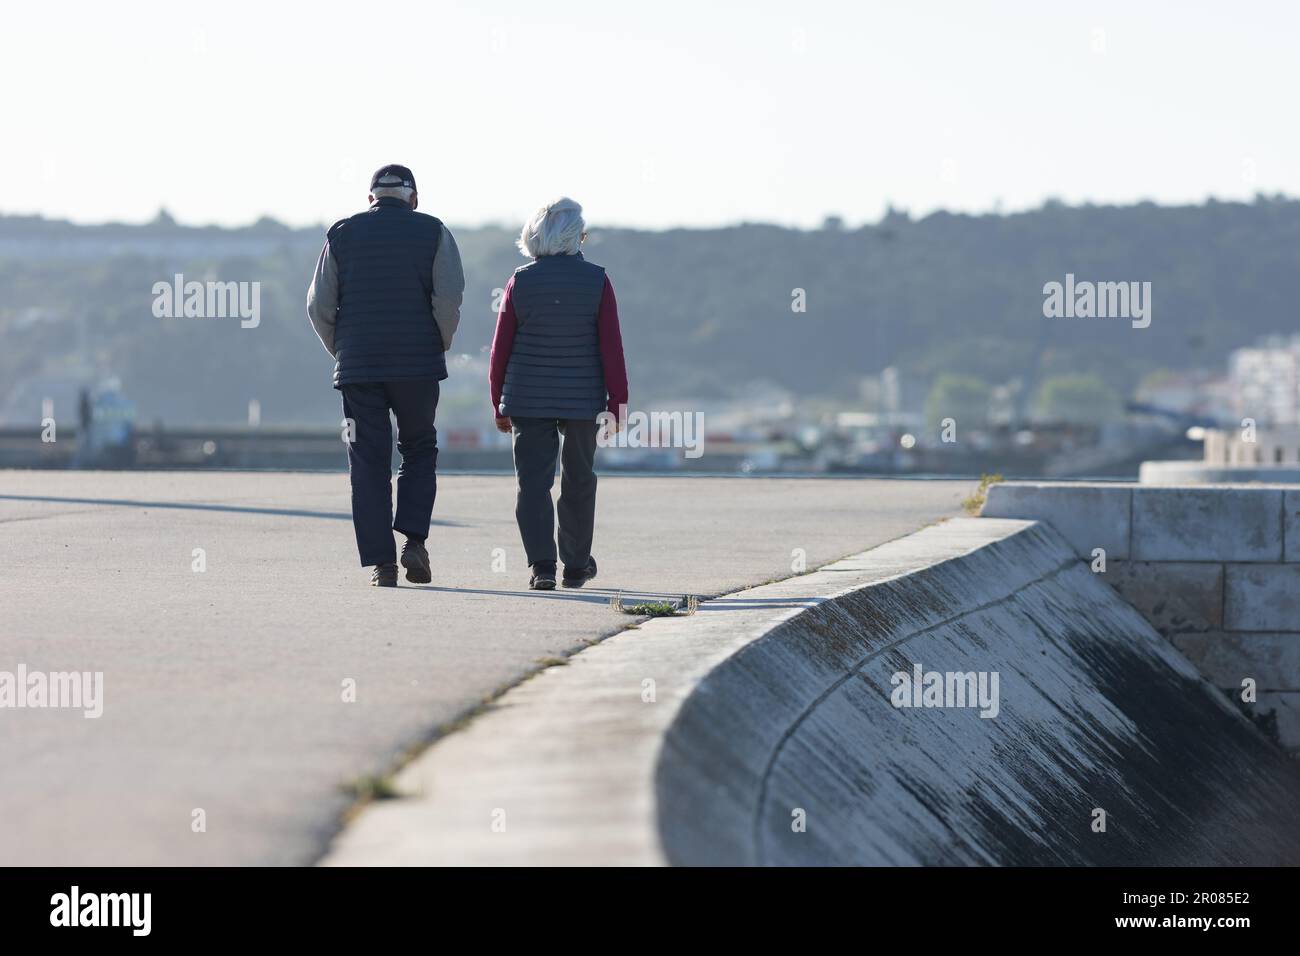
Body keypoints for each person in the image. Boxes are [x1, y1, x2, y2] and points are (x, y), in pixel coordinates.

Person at [307, 164, 464, 587]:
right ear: (414, 198)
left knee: (367, 461)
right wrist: (440, 342)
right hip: (417, 366)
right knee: (418, 448)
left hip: (359, 368)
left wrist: (341, 349)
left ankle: (383, 564)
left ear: (370, 198)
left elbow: (318, 305)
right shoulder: (435, 232)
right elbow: (448, 297)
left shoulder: (341, 234)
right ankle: (414, 541)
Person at [489, 198, 628, 590]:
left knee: (532, 482)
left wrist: (498, 400)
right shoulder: (598, 280)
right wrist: (617, 404)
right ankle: (576, 564)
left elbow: (501, 349)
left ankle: (542, 567)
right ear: (576, 238)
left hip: (527, 397)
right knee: (579, 478)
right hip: (583, 398)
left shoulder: (520, 281)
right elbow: (611, 348)